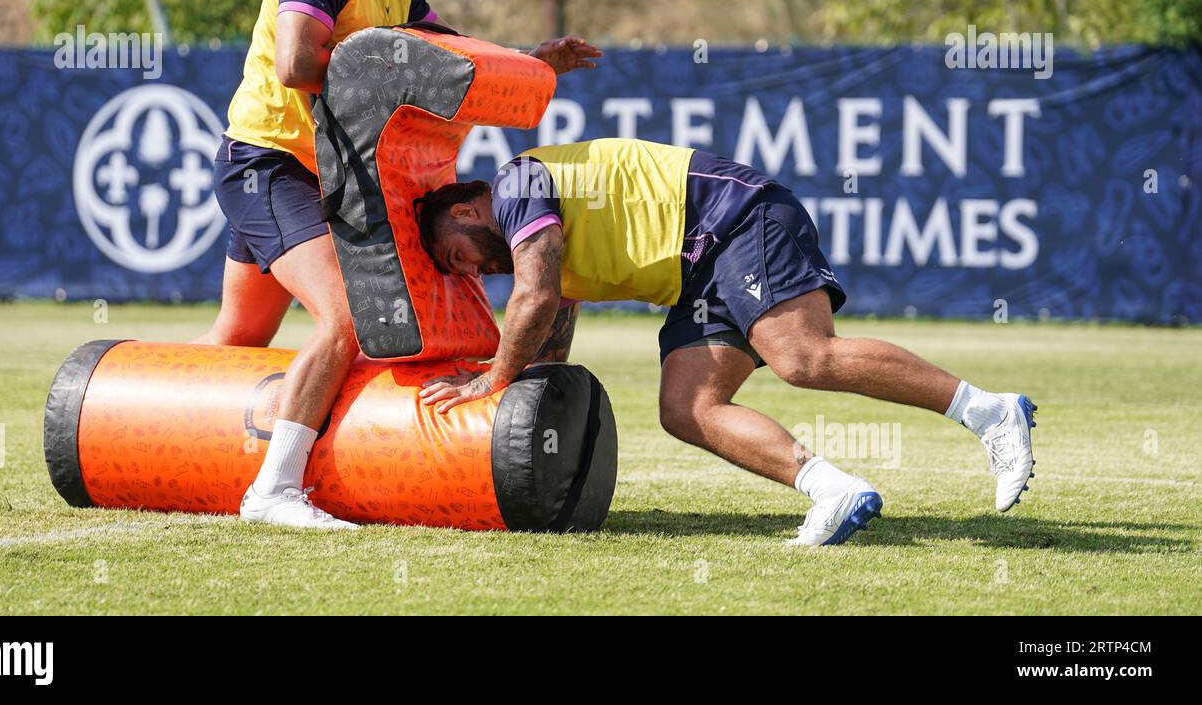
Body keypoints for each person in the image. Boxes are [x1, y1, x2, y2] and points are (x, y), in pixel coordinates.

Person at [198, 0, 601, 530]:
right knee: (346, 322)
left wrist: (531, 63)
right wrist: (378, 78)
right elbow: (297, 63)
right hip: (269, 164)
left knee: (238, 338)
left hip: (318, 173)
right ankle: (273, 492)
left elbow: (453, 67)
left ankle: (195, 460)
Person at [413, 138, 1037, 546]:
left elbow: (535, 301)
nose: (469, 271)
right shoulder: (539, 245)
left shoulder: (516, 183)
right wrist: (517, 410)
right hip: (694, 276)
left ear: (469, 211)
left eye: (456, 257)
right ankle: (834, 490)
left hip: (731, 218)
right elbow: (550, 337)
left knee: (801, 356)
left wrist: (489, 378)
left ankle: (989, 411)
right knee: (687, 409)